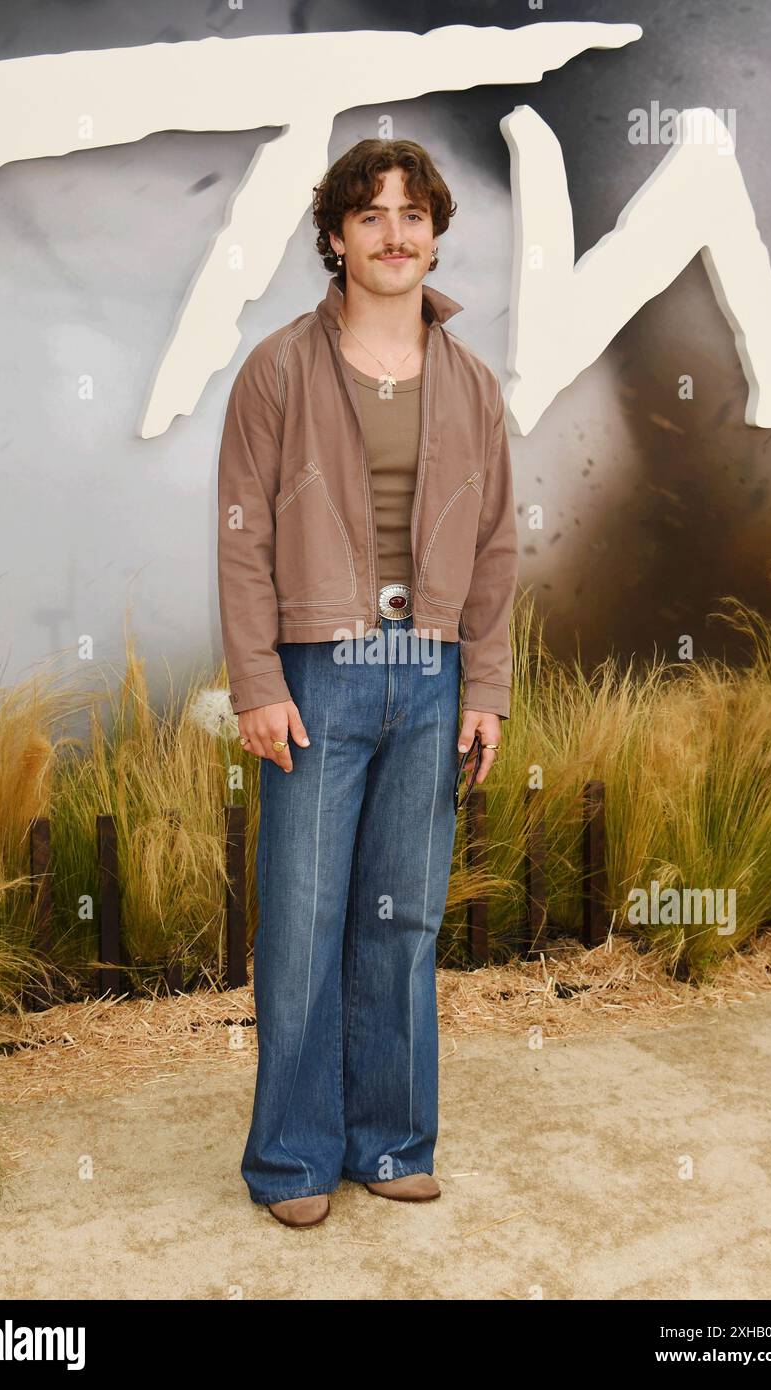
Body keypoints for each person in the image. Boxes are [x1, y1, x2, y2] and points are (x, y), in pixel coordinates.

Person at [217, 138, 519, 1227]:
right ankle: (293, 1160)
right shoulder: (278, 371)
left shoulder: (473, 383)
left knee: (402, 921)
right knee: (302, 922)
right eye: (371, 214)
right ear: (336, 239)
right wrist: (256, 680)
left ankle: (389, 1141)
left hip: (430, 675)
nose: (396, 233)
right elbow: (243, 539)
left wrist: (483, 684)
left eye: (413, 214)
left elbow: (494, 550)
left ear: (433, 232)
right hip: (314, 671)